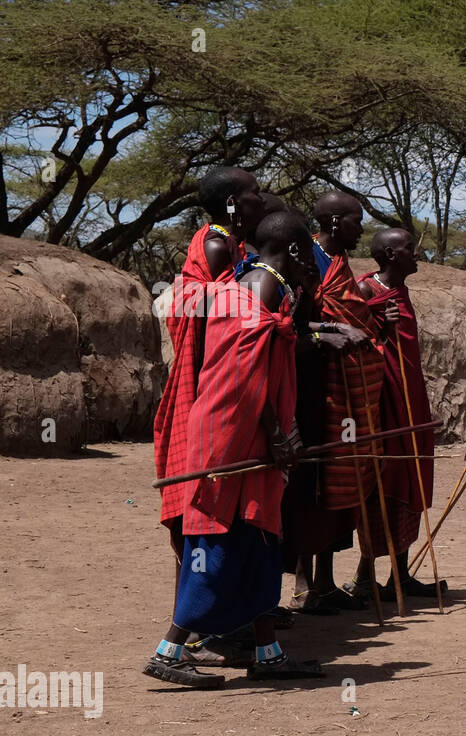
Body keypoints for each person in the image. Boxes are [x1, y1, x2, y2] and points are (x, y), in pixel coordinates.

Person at [144, 213, 326, 687]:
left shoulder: (254, 283)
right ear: (290, 250)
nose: (312, 259)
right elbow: (248, 375)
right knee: (219, 538)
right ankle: (169, 648)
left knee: (258, 534)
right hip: (233, 432)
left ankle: (267, 652)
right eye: (306, 250)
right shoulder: (264, 286)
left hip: (242, 429)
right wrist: (279, 434)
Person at [151, 167, 266, 657]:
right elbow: (225, 326)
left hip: (217, 387)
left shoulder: (236, 249)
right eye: (252, 192)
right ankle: (194, 626)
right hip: (206, 390)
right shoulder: (218, 247)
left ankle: (222, 621)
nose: (260, 198)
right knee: (203, 506)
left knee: (223, 509)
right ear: (233, 204)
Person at [282, 191, 382, 612]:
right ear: (336, 221)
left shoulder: (340, 264)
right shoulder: (311, 260)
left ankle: (326, 580)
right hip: (311, 386)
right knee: (311, 483)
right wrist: (335, 329)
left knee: (340, 480)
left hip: (341, 388)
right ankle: (305, 583)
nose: (363, 228)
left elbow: (357, 319)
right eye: (357, 220)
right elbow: (295, 323)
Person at [350, 227, 443, 599]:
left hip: (409, 401)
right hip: (382, 402)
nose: (416, 254)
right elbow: (353, 342)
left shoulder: (400, 292)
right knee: (383, 482)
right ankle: (363, 577)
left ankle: (399, 576)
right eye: (409, 249)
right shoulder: (365, 291)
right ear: (390, 255)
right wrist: (377, 326)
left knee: (410, 479)